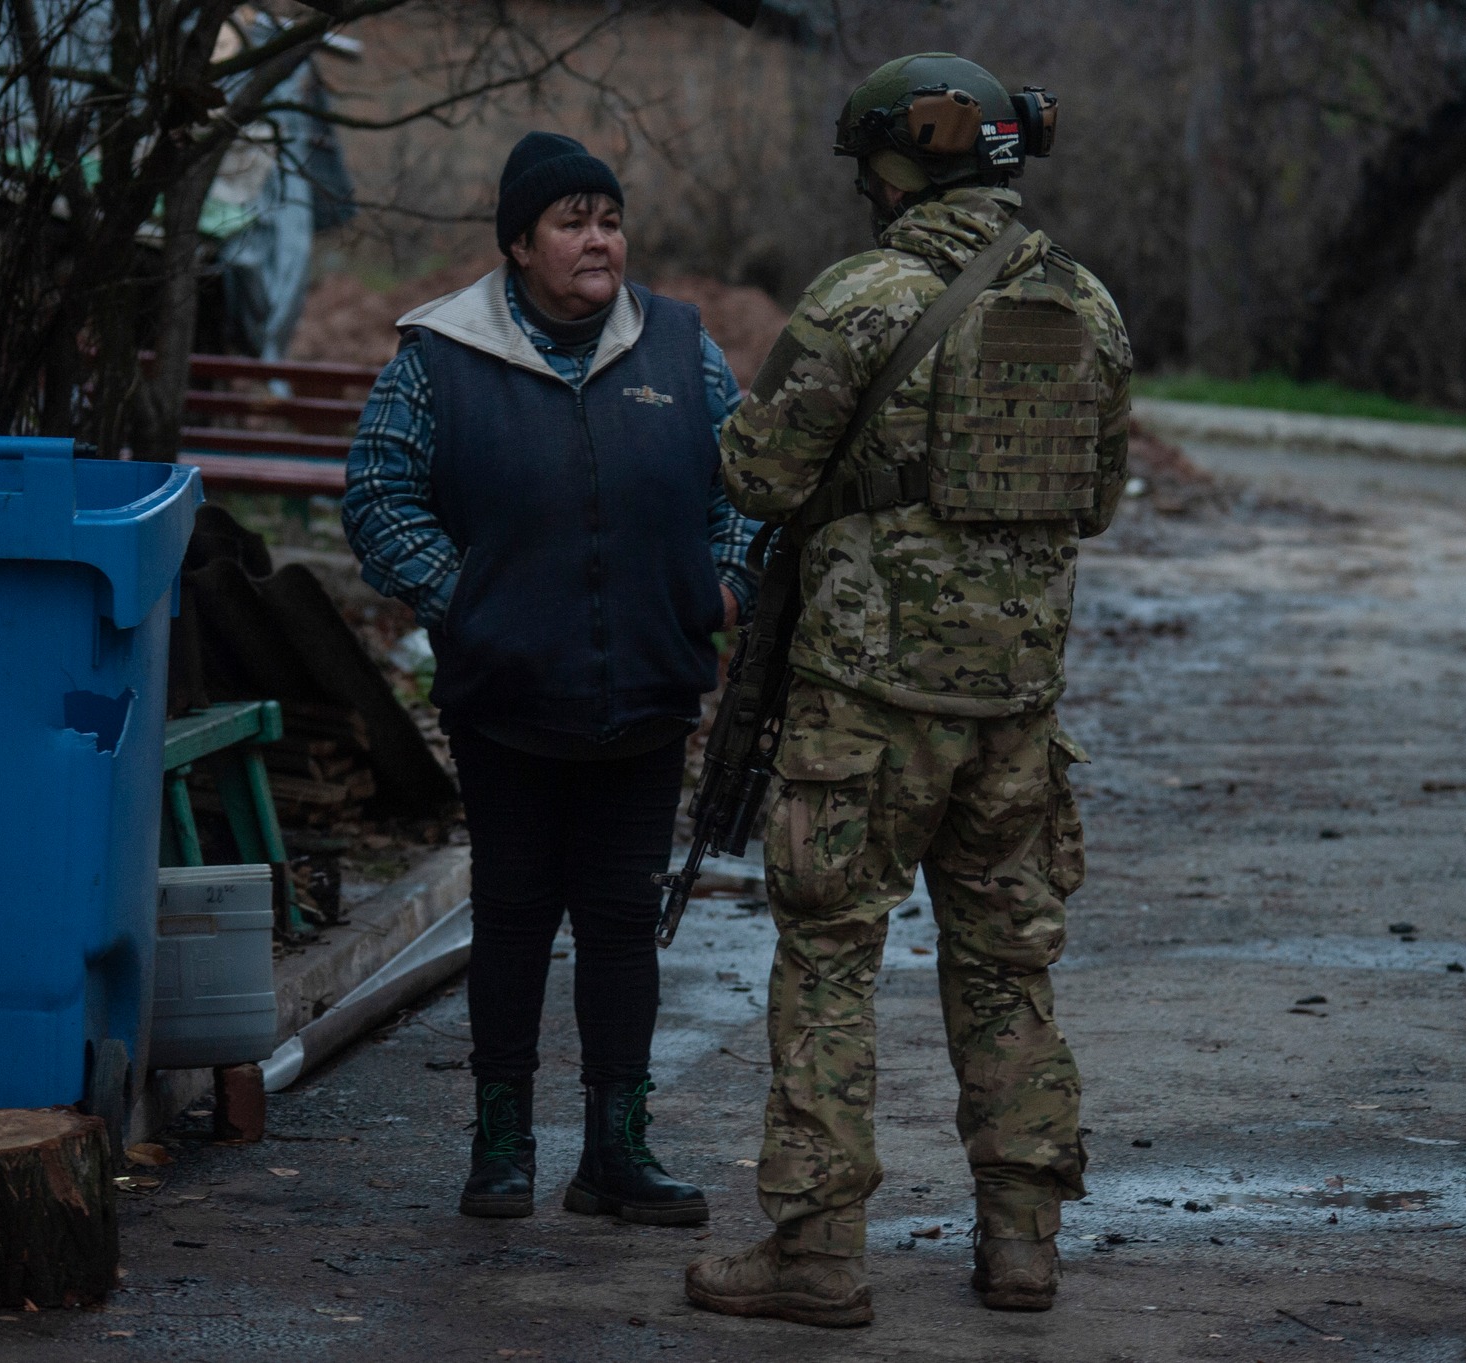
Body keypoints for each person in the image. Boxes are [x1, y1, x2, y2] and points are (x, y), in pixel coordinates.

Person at [682, 53, 1132, 1325]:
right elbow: (1092, 502)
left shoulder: (862, 297)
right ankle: (1023, 1246)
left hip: (863, 709)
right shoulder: (1086, 305)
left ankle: (818, 1251)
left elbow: (758, 477)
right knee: (1007, 969)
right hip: (1017, 709)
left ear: (899, 162)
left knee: (828, 954)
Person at [343, 131, 756, 1226]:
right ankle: (501, 1146)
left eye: (608, 219)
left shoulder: (675, 345)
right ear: (519, 244)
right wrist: (464, 602)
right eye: (571, 221)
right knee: (514, 913)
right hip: (508, 703)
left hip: (645, 699)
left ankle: (615, 1151)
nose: (598, 239)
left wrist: (722, 586)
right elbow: (377, 497)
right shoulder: (440, 355)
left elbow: (747, 484)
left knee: (622, 918)